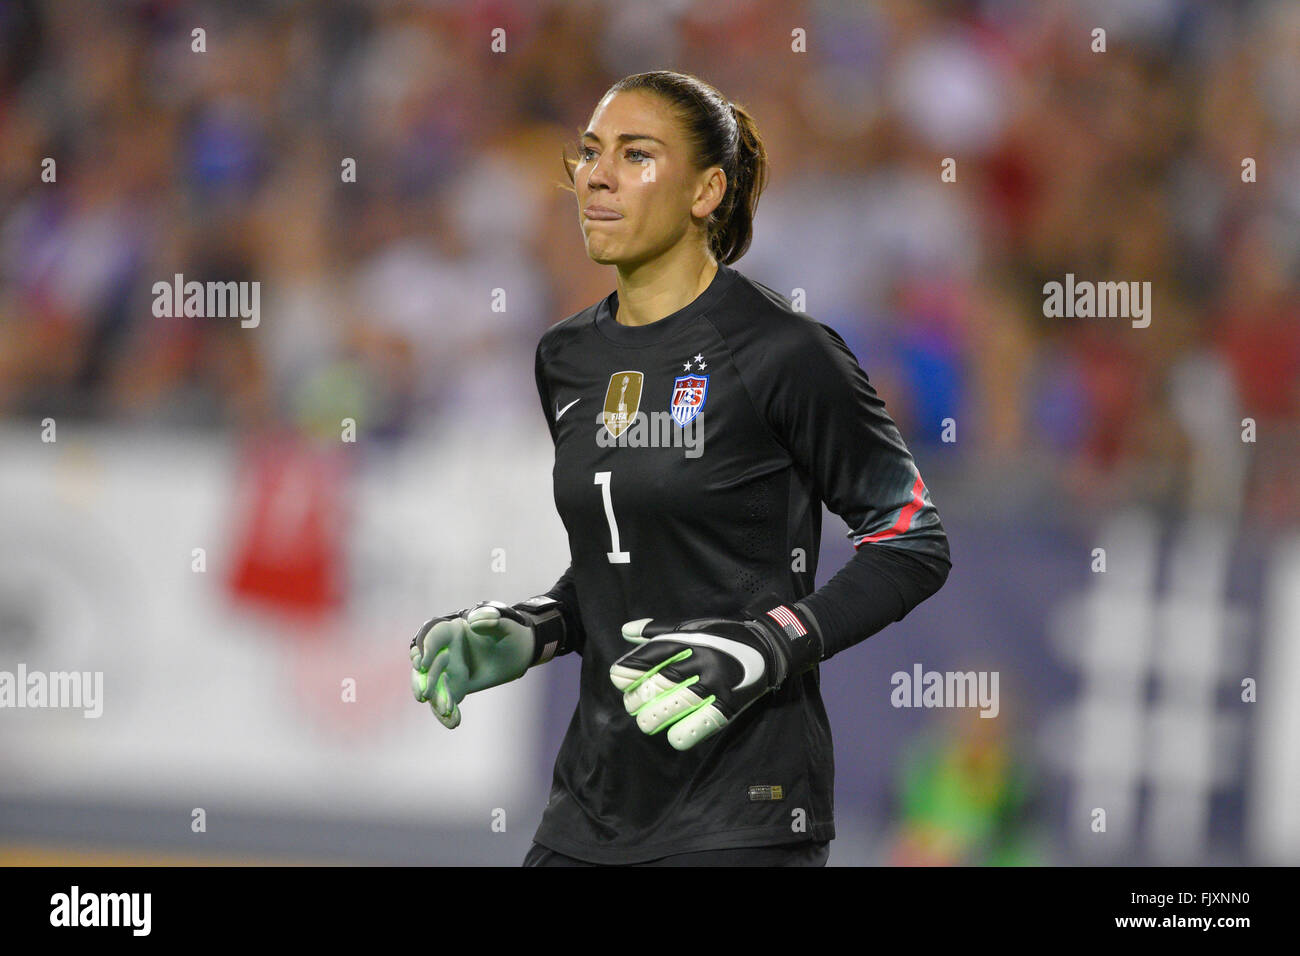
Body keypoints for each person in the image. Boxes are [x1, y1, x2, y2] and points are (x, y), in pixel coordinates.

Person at [409, 70, 952, 867]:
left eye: (635, 155)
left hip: (745, 812)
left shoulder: (785, 352)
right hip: (591, 807)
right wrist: (539, 628)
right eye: (591, 153)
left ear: (707, 191)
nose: (596, 175)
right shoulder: (565, 358)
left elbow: (913, 541)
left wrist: (766, 645)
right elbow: (626, 562)